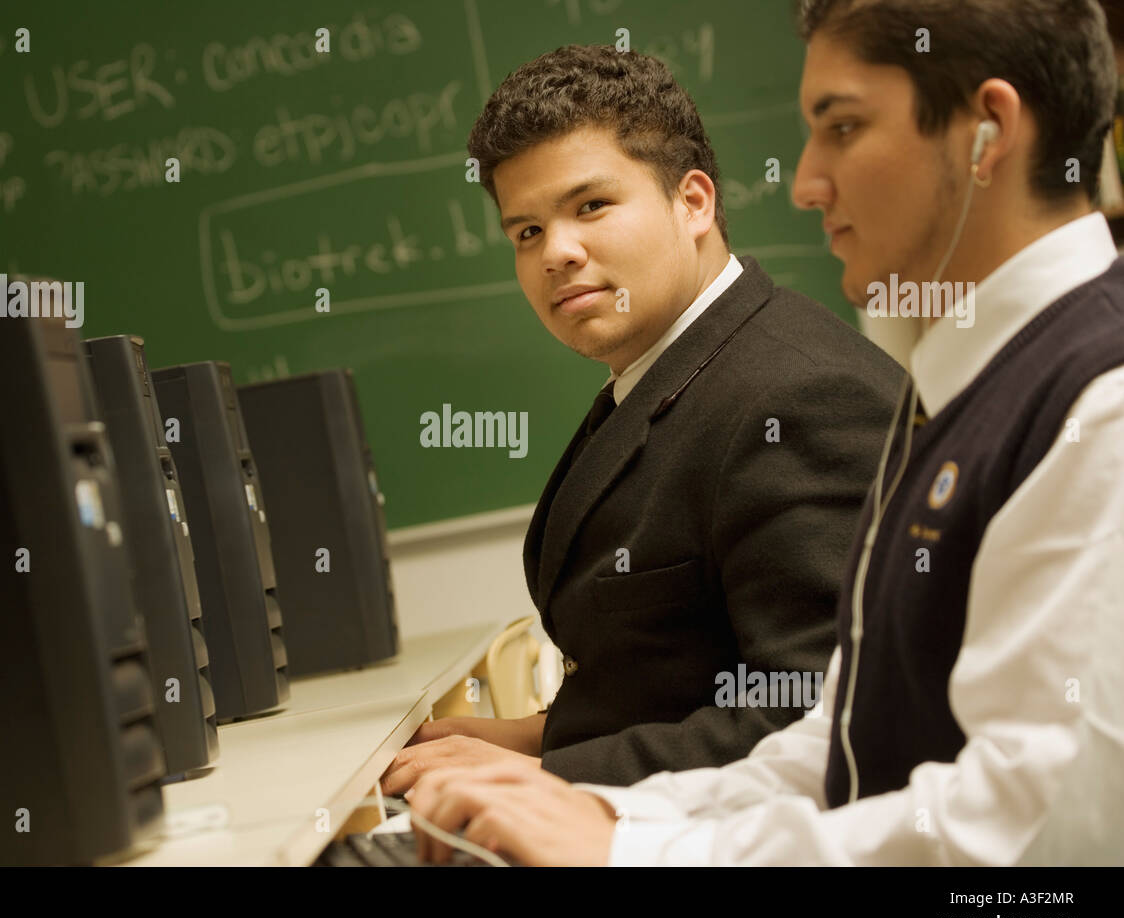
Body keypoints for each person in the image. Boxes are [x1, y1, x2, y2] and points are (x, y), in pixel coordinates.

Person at [408, 0, 1124, 866]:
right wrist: (610, 819)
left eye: (844, 127)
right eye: (526, 231)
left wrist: (628, 848)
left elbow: (1047, 831)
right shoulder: (969, 385)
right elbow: (845, 737)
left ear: (987, 132)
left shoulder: (1101, 401)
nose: (804, 182)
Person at [382, 44, 900, 793]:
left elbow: (820, 715)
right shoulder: (670, 369)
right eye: (526, 232)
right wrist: (533, 738)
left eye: (590, 206)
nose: (556, 252)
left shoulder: (796, 396)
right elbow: (677, 670)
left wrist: (554, 773)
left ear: (694, 202)